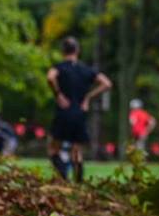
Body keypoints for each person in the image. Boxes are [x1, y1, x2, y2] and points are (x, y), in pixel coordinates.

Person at [46, 37, 112, 182]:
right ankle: (78, 181)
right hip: (80, 112)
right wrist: (88, 97)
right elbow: (107, 83)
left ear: (63, 51)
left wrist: (58, 95)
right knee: (77, 151)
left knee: (53, 147)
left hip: (63, 111)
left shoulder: (59, 67)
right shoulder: (86, 69)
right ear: (77, 50)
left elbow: (50, 77)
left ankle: (63, 176)